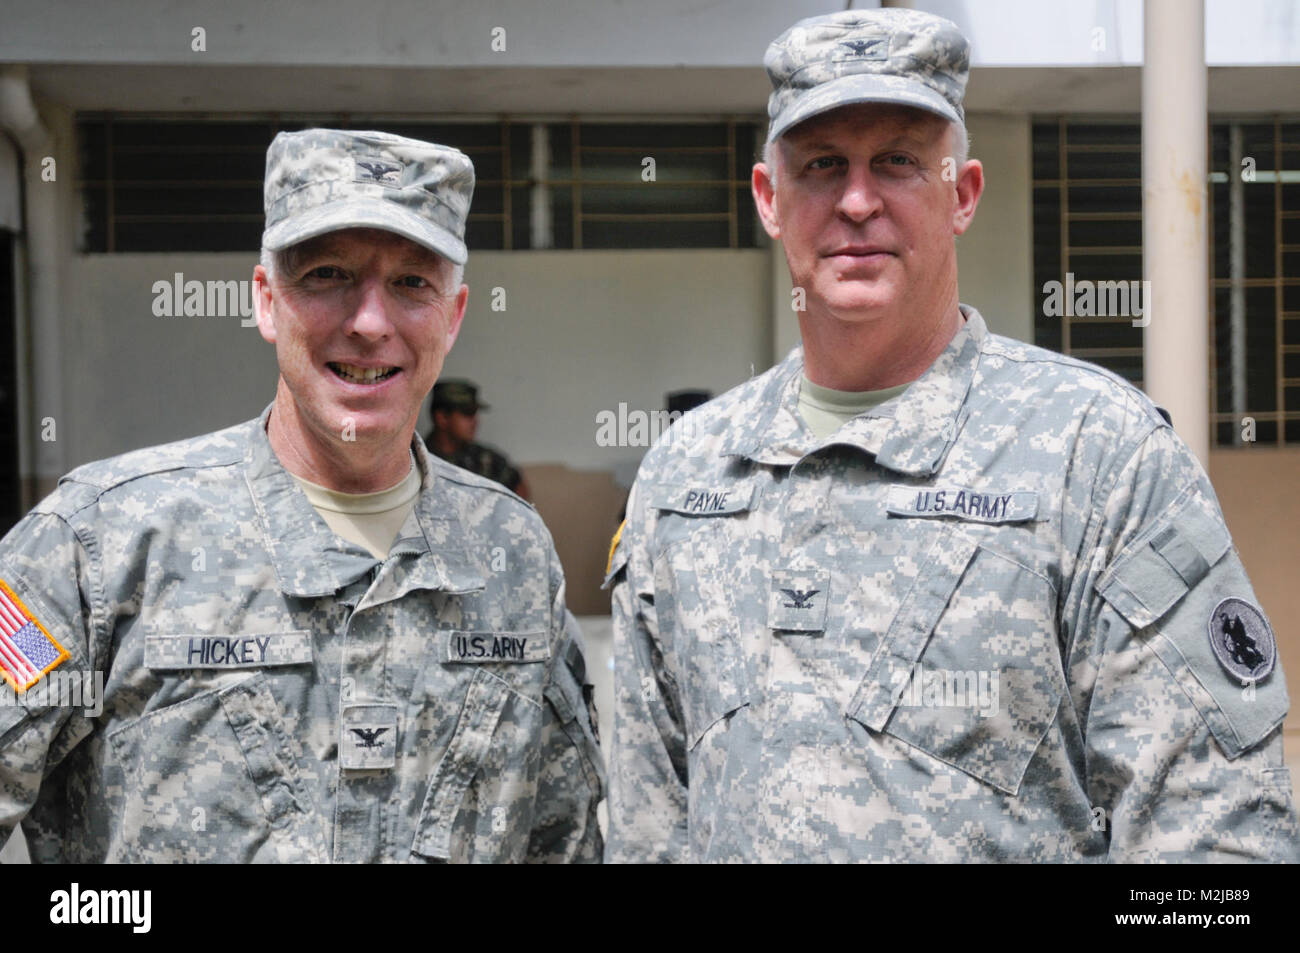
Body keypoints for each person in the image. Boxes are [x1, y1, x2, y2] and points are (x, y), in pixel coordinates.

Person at [603, 8, 1299, 863]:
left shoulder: (1097, 455)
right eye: (822, 165)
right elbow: (648, 831)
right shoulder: (685, 477)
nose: (858, 200)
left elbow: (1218, 848)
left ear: (962, 193)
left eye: (896, 160)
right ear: (769, 200)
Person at [0, 128, 602, 863]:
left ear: (454, 314)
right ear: (265, 300)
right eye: (327, 274)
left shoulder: (511, 553)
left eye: (412, 282)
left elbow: (563, 839)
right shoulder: (96, 545)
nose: (371, 321)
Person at [426, 379, 531, 500]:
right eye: (467, 413)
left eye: (475, 413)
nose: (475, 421)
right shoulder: (417, 460)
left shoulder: (484, 457)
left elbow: (518, 487)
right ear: (442, 417)